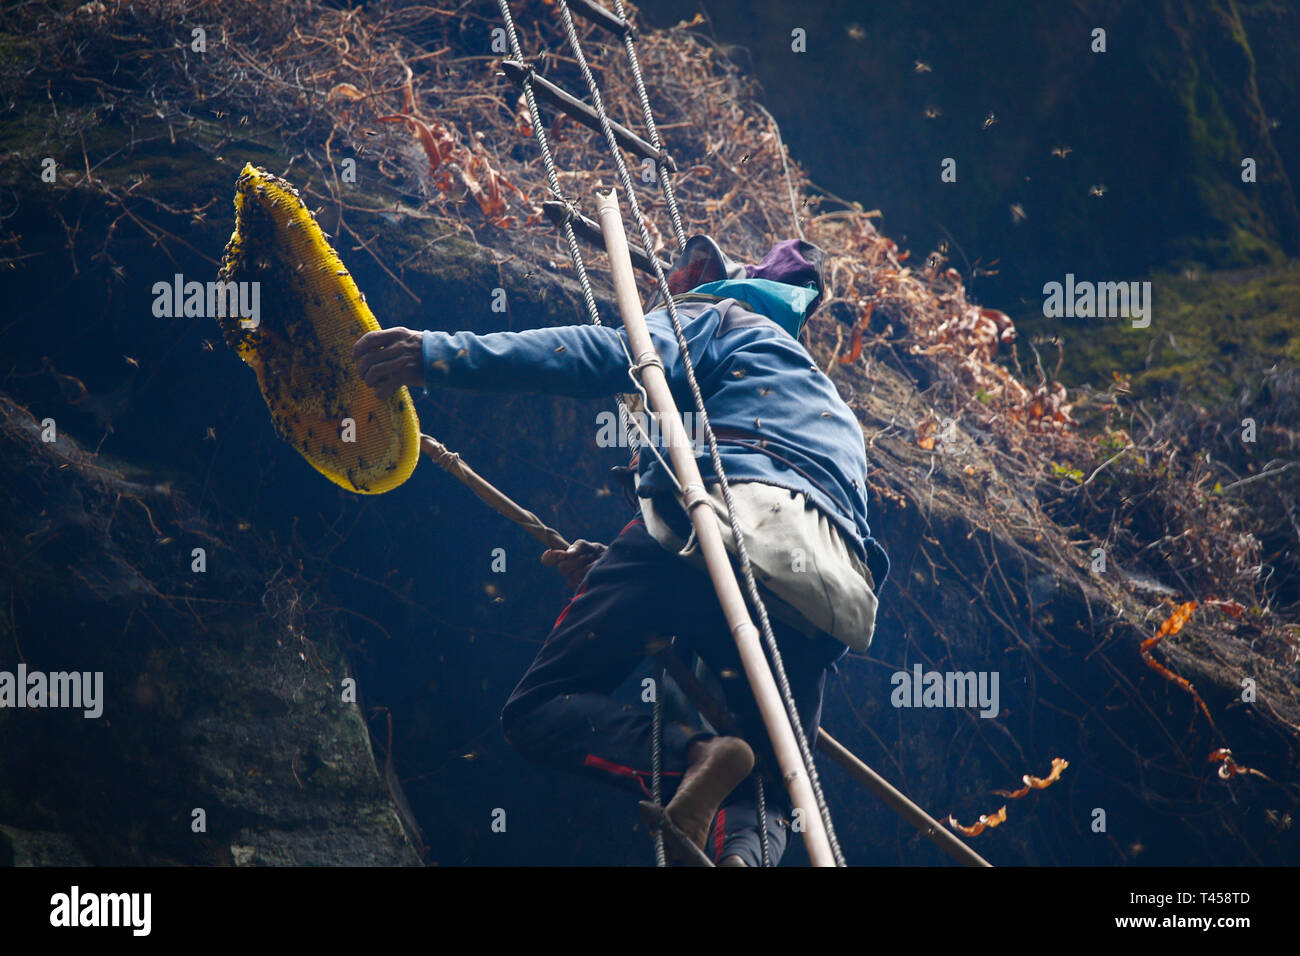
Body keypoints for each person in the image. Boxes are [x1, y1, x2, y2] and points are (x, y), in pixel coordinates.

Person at [353, 234, 889, 866]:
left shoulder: (718, 314)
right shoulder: (833, 409)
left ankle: (697, 757)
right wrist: (618, 570)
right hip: (824, 600)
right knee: (771, 790)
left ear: (708, 281)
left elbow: (610, 353)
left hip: (718, 523)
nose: (671, 290)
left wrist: (444, 355)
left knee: (536, 709)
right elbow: (773, 543)